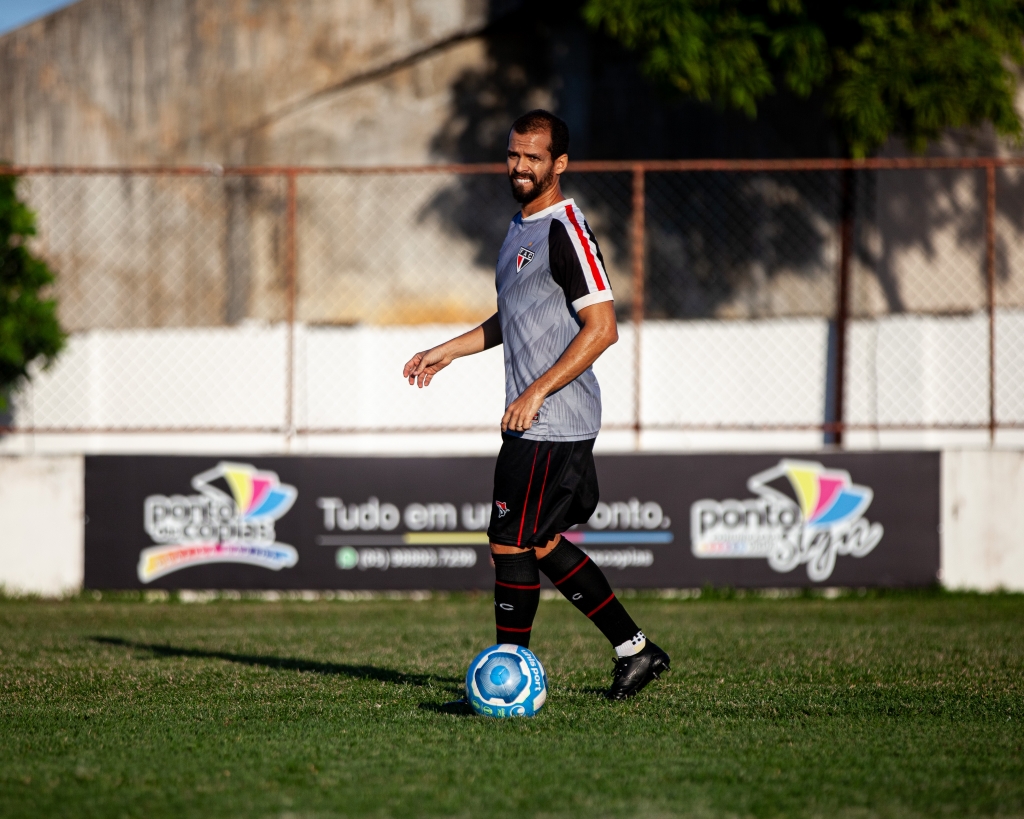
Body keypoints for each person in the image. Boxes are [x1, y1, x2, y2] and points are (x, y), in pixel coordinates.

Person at [403, 110, 669, 700]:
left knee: (509, 542)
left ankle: (508, 679)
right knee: (539, 541)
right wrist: (449, 350)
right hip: (537, 418)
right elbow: (516, 317)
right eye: (514, 154)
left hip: (552, 421)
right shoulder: (519, 228)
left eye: (534, 157)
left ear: (559, 163)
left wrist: (537, 390)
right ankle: (635, 650)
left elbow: (602, 328)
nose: (520, 166)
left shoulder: (565, 229)